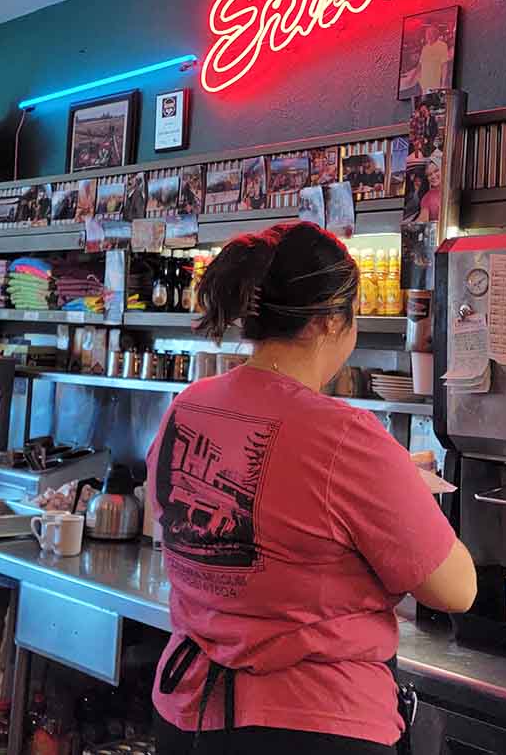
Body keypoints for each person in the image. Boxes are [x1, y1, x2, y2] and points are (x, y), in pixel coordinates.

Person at [147, 222, 476, 755]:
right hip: (311, 723)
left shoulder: (190, 404)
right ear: (328, 320)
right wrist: (403, 489)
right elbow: (456, 590)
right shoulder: (344, 435)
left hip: (186, 711)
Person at [417, 155, 442, 222]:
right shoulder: (427, 198)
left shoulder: (454, 189)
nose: (433, 176)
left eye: (436, 171)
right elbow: (422, 220)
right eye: (429, 174)